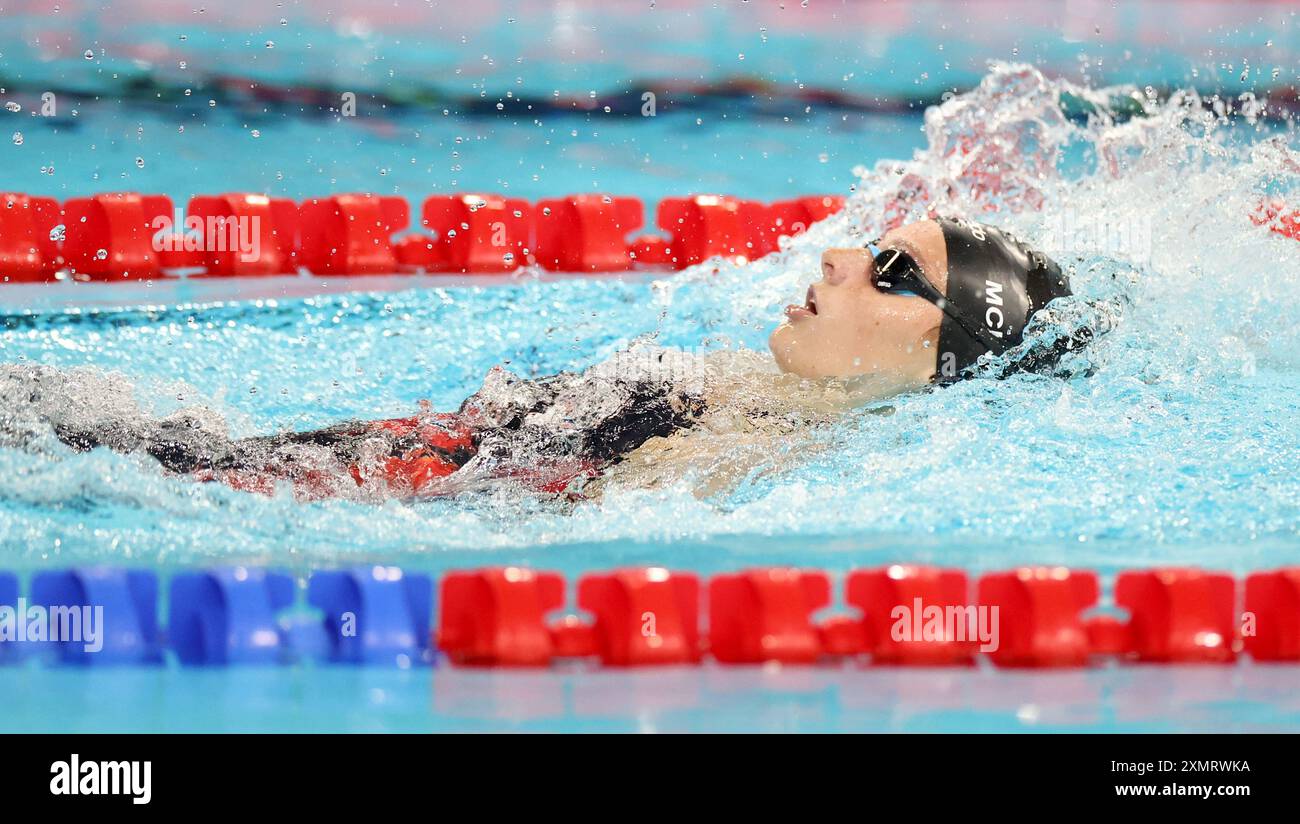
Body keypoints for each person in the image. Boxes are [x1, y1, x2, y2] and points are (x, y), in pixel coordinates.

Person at [6, 216, 1075, 501]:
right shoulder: (755, 406)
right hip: (336, 457)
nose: (843, 255)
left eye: (891, 269)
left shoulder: (760, 452)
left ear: (942, 354)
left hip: (323, 486)